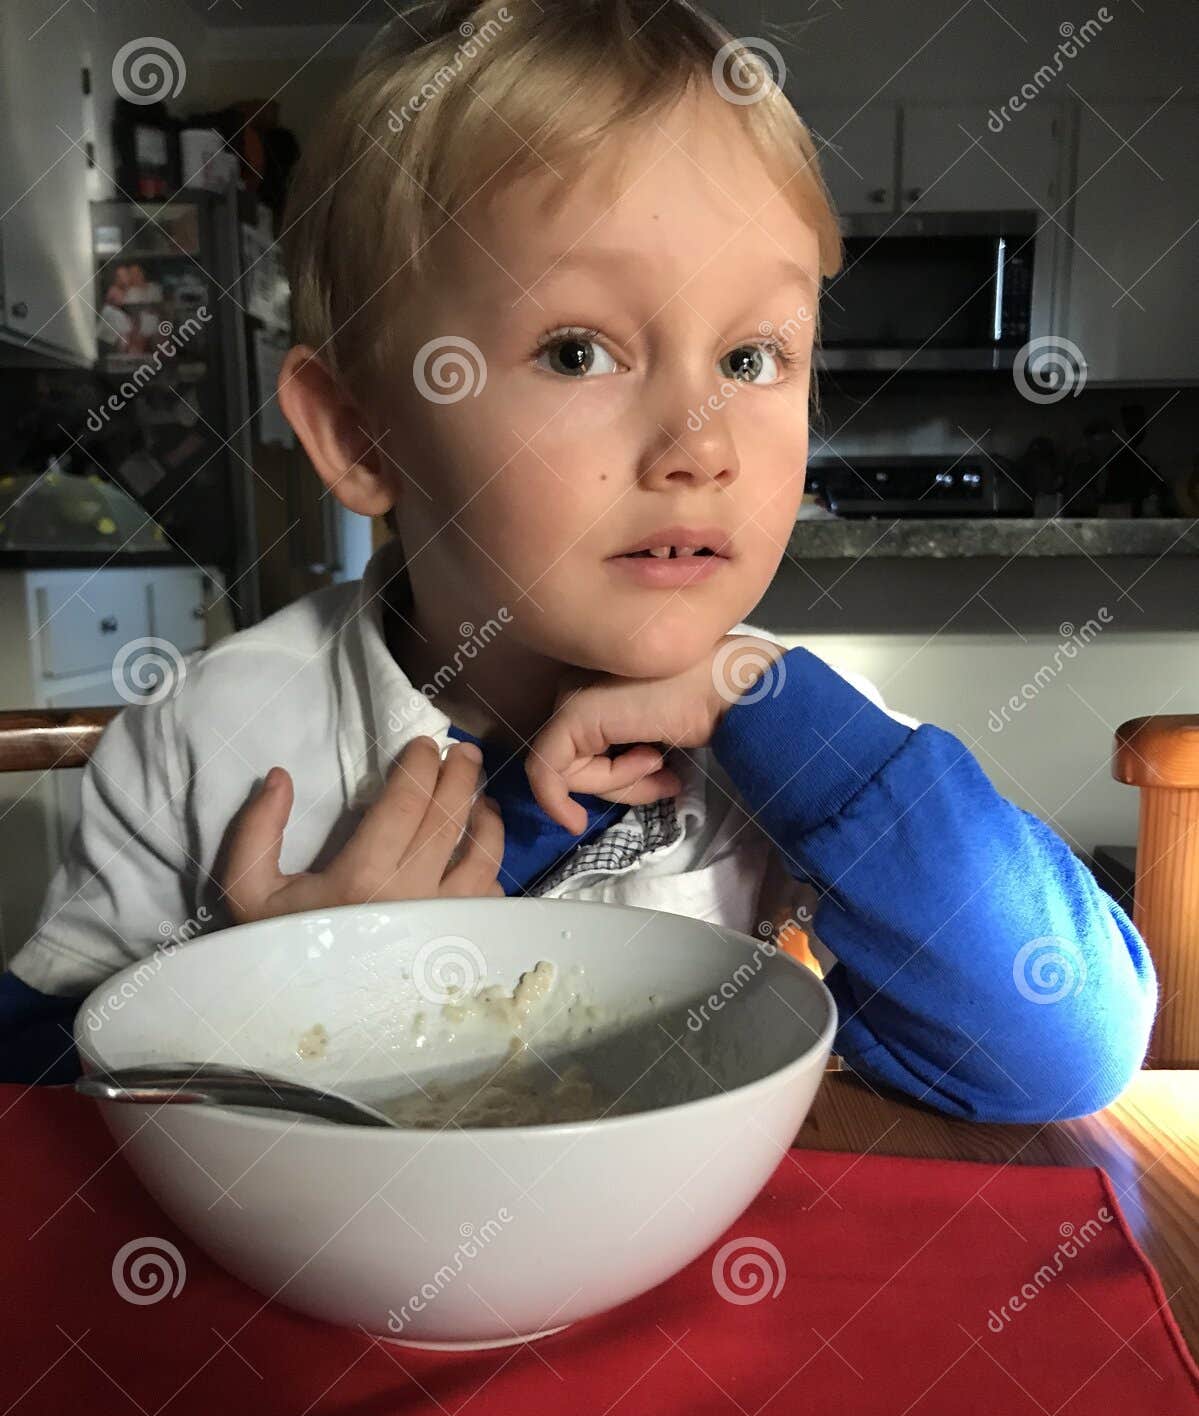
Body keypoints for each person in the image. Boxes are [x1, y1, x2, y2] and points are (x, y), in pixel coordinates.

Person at [0, 0, 1155, 1120]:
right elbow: (30, 1106)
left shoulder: (796, 743)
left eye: (753, 357)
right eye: (574, 350)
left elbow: (1067, 1048)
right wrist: (269, 993)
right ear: (360, 435)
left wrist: (780, 723)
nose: (698, 443)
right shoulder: (204, 742)